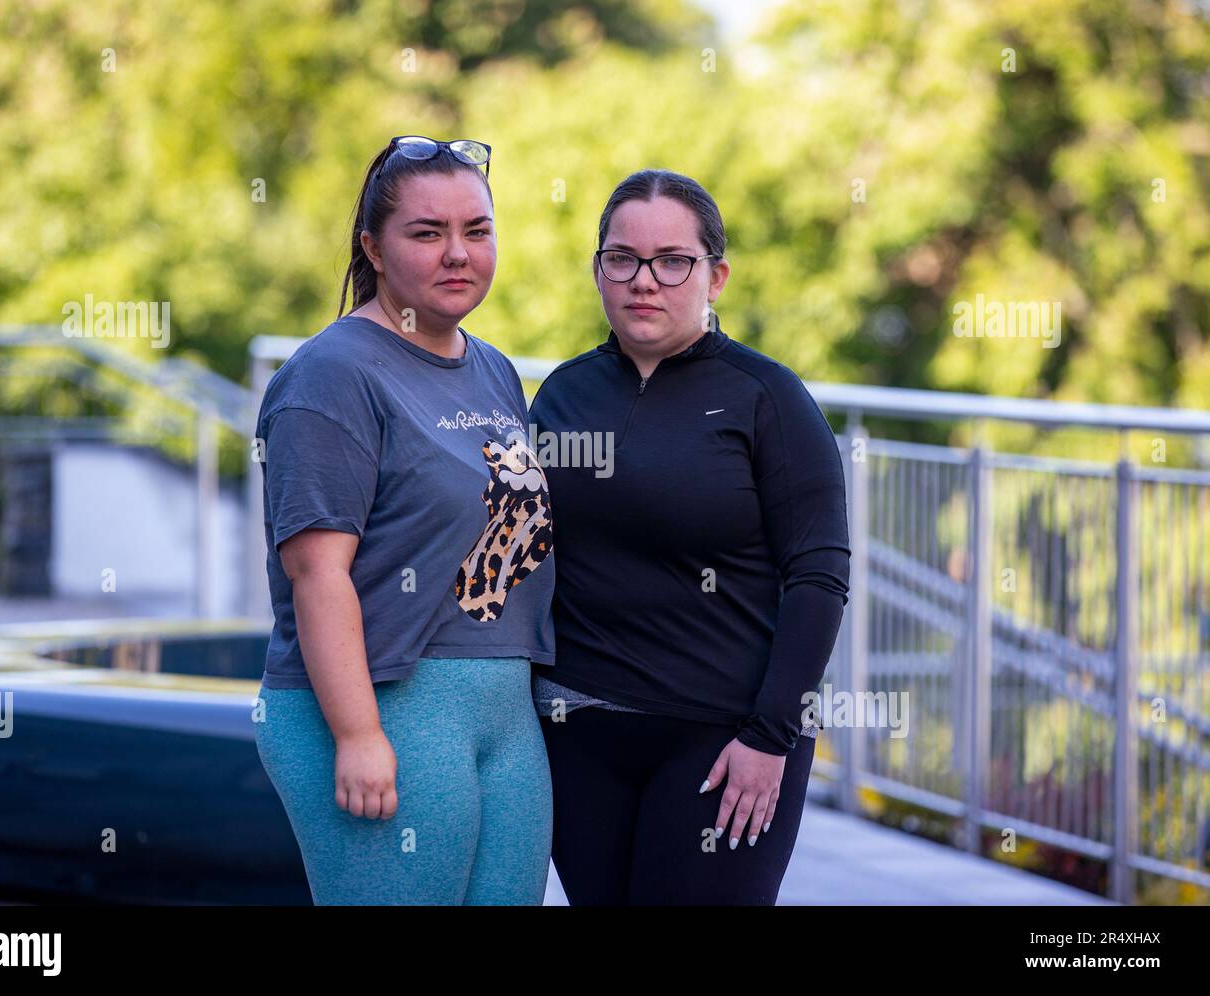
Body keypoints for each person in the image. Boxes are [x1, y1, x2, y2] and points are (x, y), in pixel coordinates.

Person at [529, 168, 851, 905]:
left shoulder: (767, 397)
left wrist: (772, 737)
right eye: (622, 258)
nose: (645, 281)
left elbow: (819, 575)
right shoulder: (563, 395)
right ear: (598, 269)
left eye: (673, 261)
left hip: (723, 741)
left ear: (717, 275)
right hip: (578, 735)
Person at [253, 136, 555, 905]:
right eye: (427, 233)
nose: (458, 254)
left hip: (503, 715)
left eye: (477, 231)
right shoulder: (331, 374)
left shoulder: (492, 369)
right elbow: (316, 573)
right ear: (373, 249)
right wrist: (357, 735)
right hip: (388, 708)